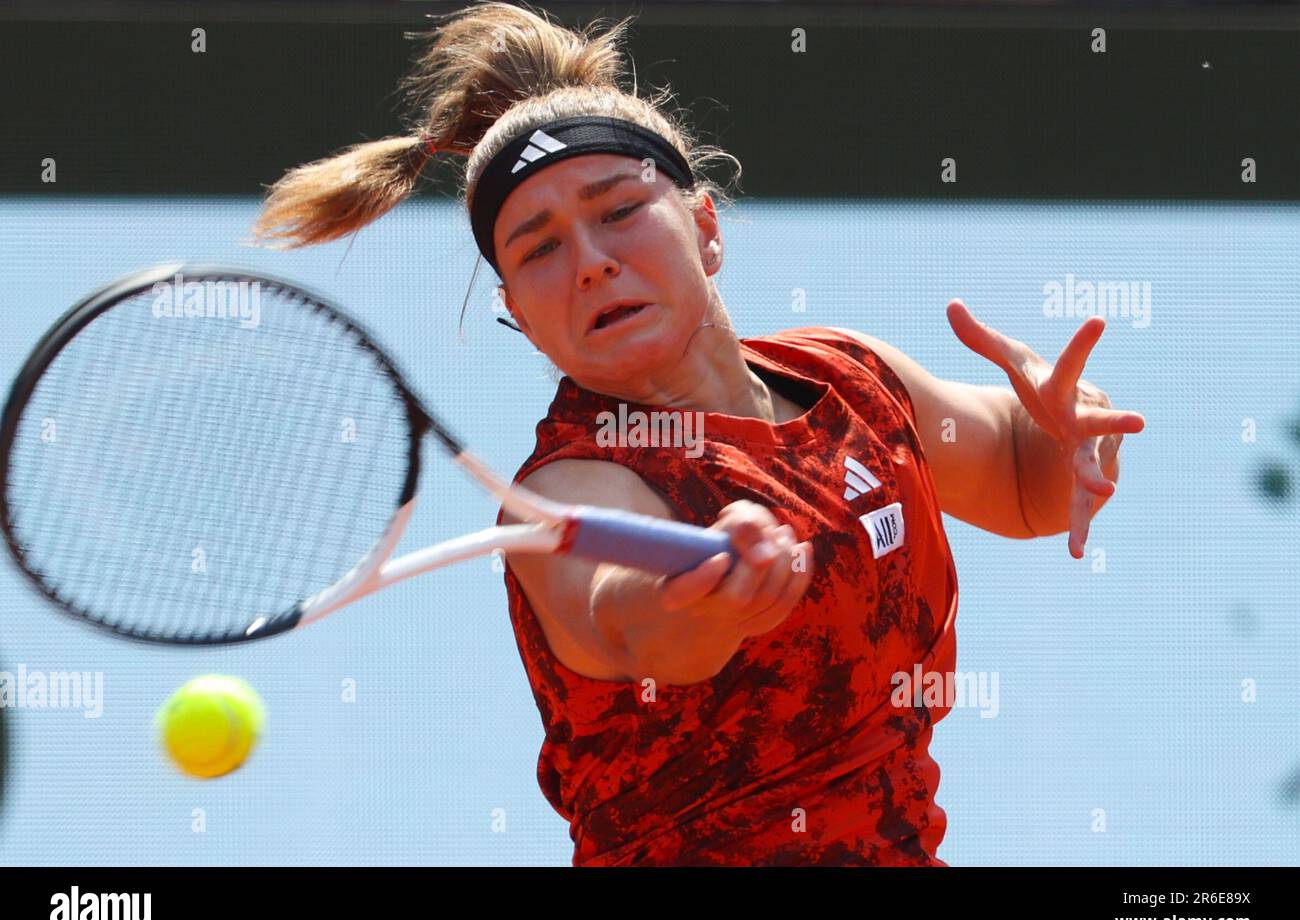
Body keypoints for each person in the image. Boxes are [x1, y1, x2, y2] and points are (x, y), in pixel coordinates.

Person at [251, 2, 1144, 865]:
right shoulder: (565, 492)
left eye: (617, 211)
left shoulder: (852, 376)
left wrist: (1076, 431)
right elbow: (627, 619)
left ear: (706, 227)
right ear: (518, 315)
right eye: (540, 248)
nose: (592, 261)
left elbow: (1029, 485)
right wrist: (706, 594)